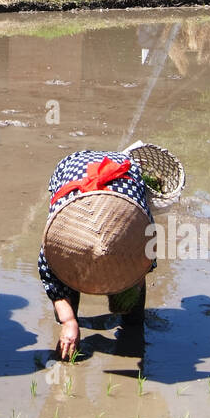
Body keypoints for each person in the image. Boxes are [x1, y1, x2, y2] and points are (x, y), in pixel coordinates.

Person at [39, 145, 183, 360]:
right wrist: (69, 321)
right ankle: (69, 326)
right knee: (65, 283)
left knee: (132, 312)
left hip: (125, 183)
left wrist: (127, 287)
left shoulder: (138, 232)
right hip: (73, 169)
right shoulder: (60, 239)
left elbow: (142, 269)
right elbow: (50, 277)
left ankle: (132, 322)